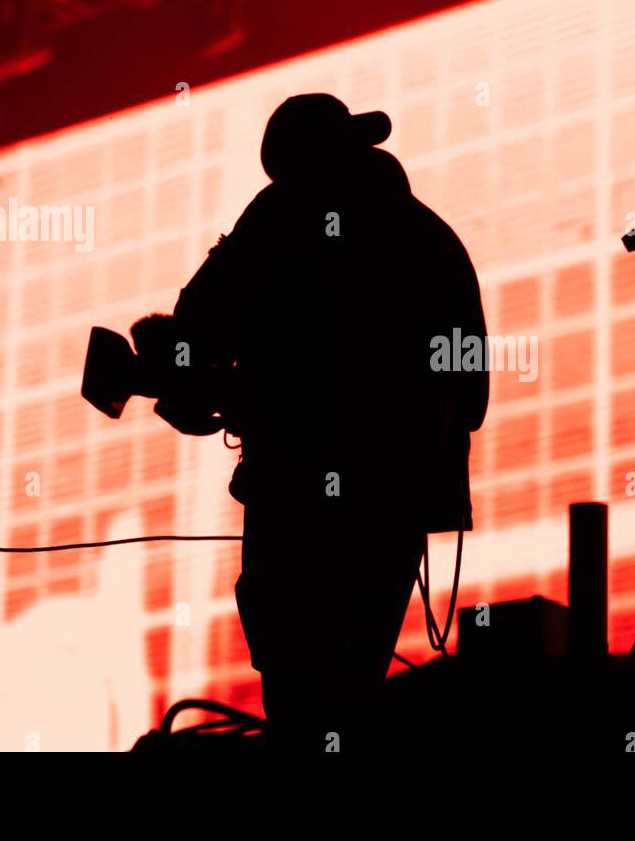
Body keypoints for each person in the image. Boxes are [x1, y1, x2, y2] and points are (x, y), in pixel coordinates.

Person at [165, 93, 488, 719]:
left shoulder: (288, 207)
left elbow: (200, 323)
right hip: (401, 502)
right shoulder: (434, 237)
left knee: (297, 683)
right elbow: (470, 398)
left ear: (299, 155)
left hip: (299, 495)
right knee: (355, 688)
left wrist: (200, 377)